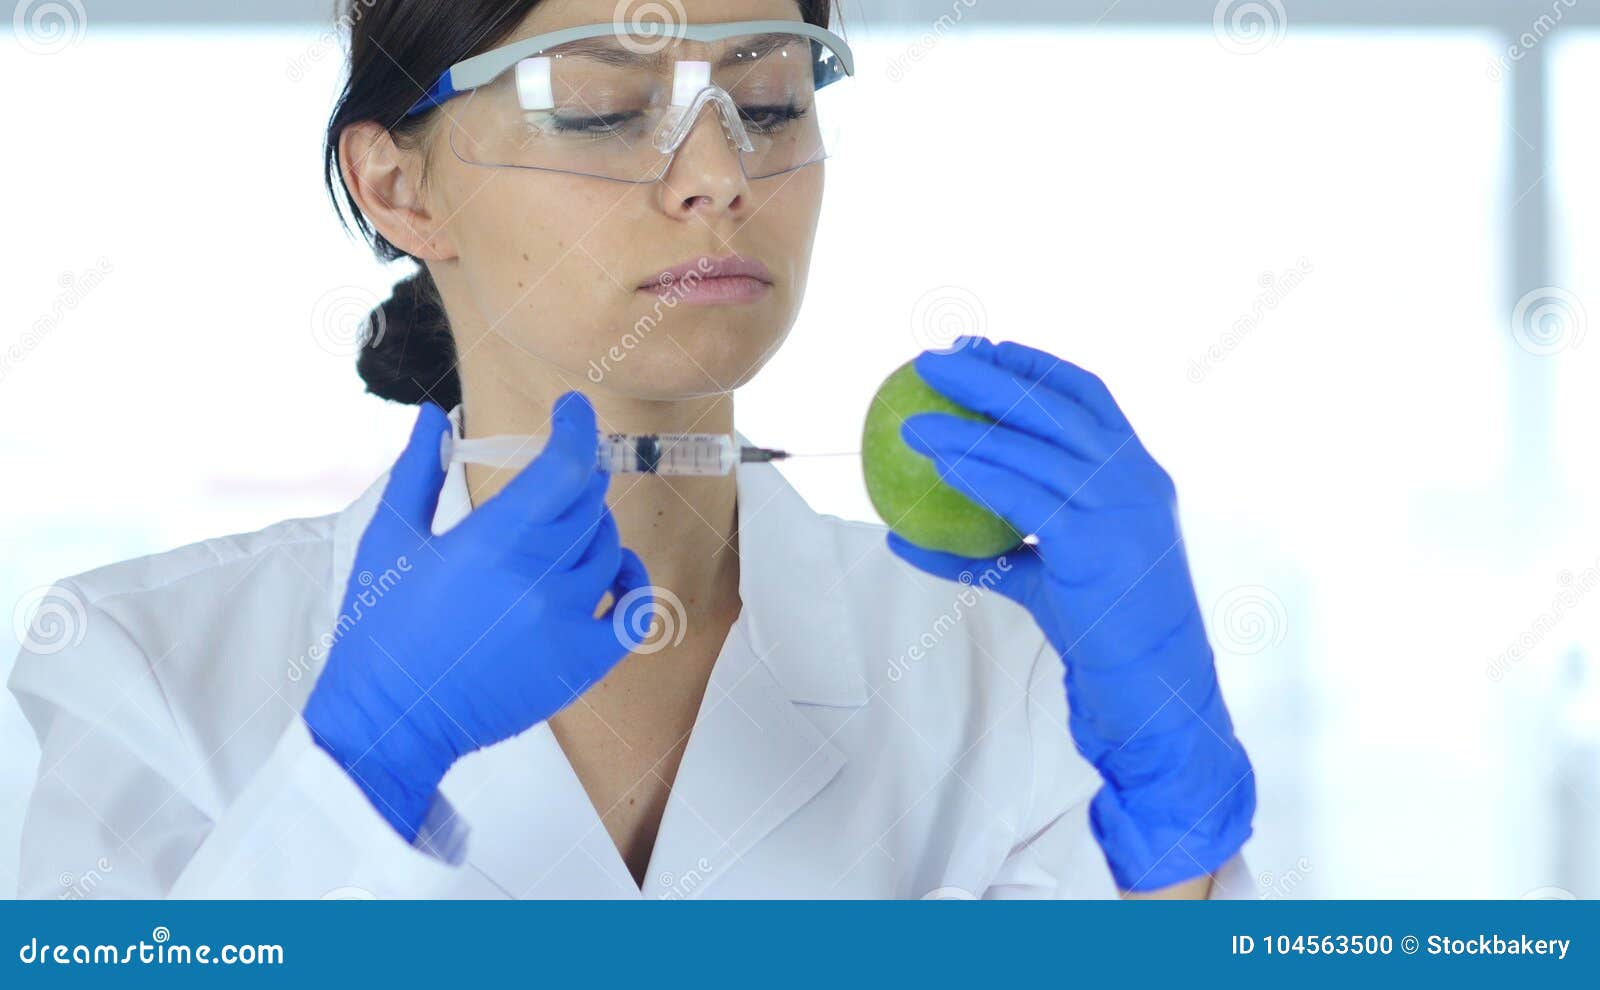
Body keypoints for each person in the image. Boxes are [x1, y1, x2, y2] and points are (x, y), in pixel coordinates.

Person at [8, 0, 1255, 899]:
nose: (720, 171)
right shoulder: (147, 666)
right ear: (398, 188)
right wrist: (355, 772)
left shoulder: (1009, 671)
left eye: (769, 101)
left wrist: (1171, 845)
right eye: (604, 110)